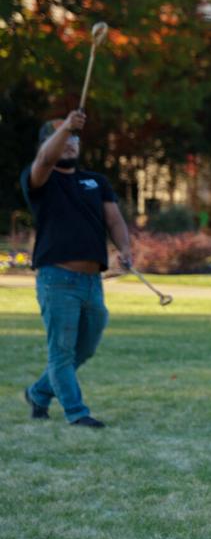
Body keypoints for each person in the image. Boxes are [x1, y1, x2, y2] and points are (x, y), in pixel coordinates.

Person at [19, 111, 132, 428]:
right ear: (48, 143)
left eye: (74, 138)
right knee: (62, 352)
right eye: (63, 138)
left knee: (84, 349)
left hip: (92, 282)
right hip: (57, 280)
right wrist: (67, 125)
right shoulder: (39, 177)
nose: (70, 143)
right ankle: (76, 413)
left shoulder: (97, 181)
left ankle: (38, 393)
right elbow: (44, 159)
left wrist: (125, 249)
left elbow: (114, 221)